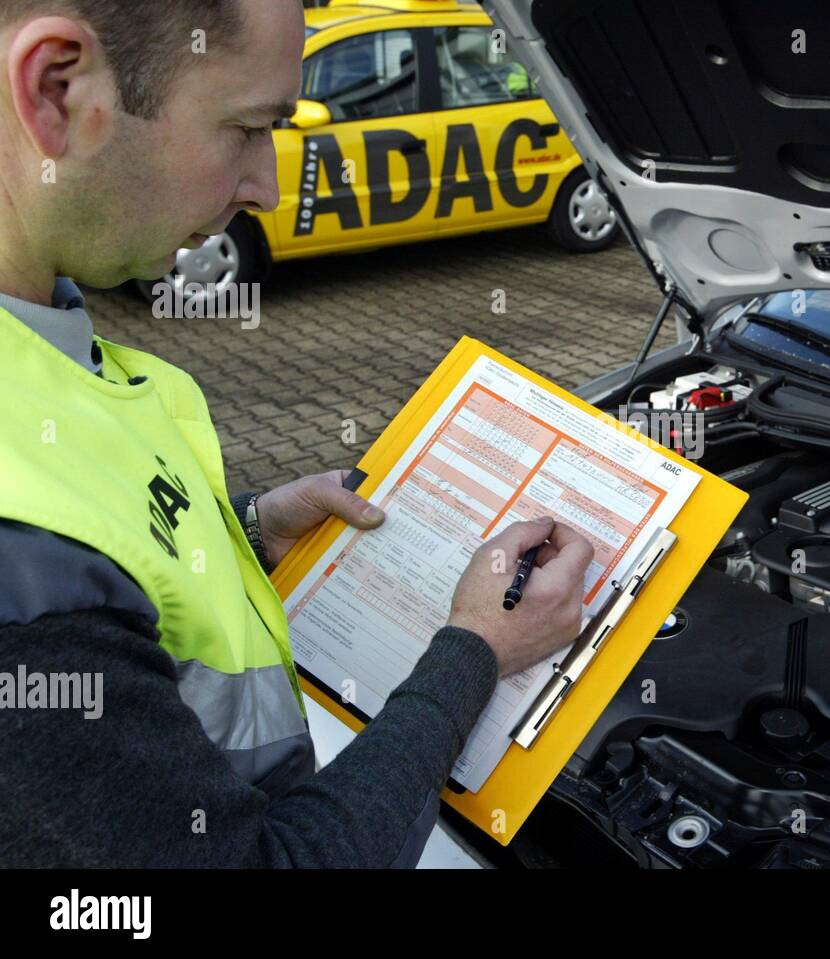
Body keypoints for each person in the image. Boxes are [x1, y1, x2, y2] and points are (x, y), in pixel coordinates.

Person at [0, 0, 593, 866]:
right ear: (55, 88)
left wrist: (242, 532)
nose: (268, 187)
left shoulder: (41, 339)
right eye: (245, 128)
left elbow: (111, 557)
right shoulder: (22, 579)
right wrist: (477, 651)